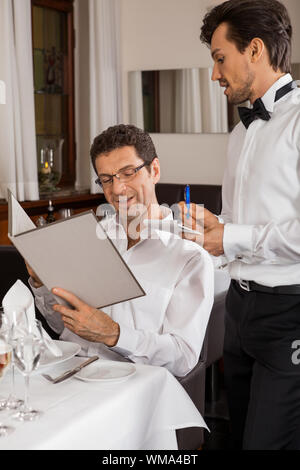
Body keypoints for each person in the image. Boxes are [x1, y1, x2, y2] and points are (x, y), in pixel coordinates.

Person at [179, 0, 300, 449]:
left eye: (218, 58)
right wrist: (216, 228)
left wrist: (231, 235)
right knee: (237, 436)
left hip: (290, 311)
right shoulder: (239, 133)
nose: (214, 74)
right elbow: (241, 223)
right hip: (238, 309)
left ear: (254, 50)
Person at [27, 124, 214, 378]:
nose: (116, 190)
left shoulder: (190, 256)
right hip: (66, 375)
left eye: (128, 173)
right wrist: (41, 284)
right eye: (106, 179)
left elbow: (183, 358)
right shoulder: (86, 239)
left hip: (131, 387)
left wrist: (114, 334)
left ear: (154, 170)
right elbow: (62, 326)